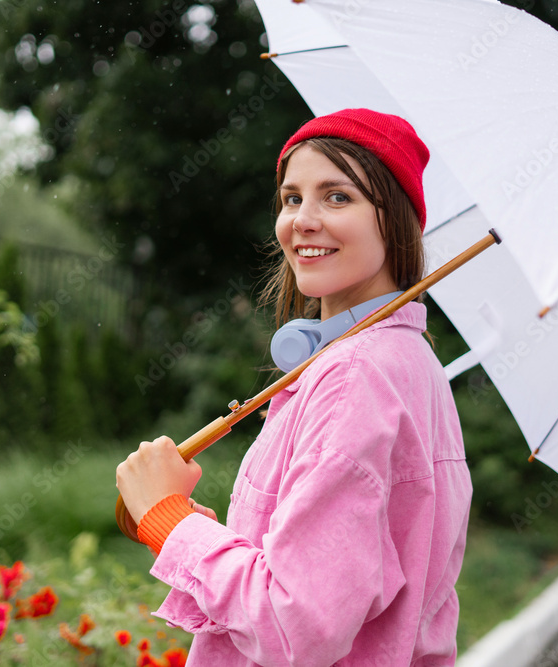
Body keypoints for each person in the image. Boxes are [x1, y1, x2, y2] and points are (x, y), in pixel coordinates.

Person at [115, 108, 472, 665]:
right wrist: (198, 531)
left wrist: (170, 521)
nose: (302, 220)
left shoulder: (355, 375)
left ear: (396, 220)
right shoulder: (408, 360)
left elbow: (293, 625)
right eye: (291, 198)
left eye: (338, 197)